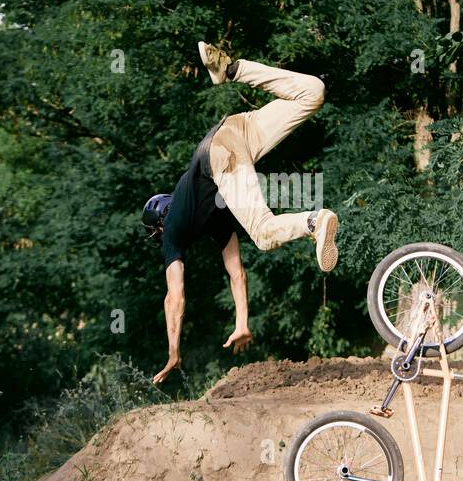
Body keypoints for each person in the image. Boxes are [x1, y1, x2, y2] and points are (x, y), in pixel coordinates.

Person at [144, 42, 339, 385]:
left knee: (264, 233)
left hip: (221, 155)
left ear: (160, 222)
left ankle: (312, 221)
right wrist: (242, 323)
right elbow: (238, 274)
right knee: (313, 92)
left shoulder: (172, 230)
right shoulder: (217, 219)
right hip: (236, 129)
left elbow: (174, 297)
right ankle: (233, 70)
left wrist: (173, 352)